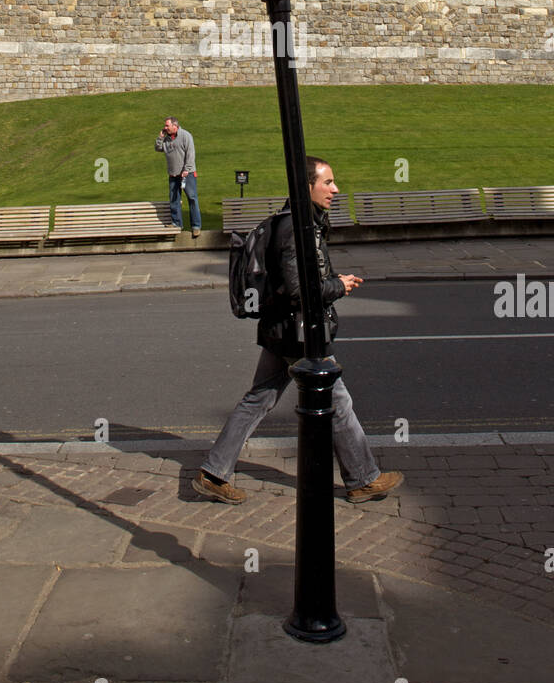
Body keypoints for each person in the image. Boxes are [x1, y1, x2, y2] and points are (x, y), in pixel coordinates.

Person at [193, 156, 403, 506]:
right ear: (307, 187)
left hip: (282, 330)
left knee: (259, 398)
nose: (335, 189)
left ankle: (214, 472)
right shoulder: (296, 229)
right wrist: (338, 285)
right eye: (328, 183)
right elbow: (298, 289)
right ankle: (363, 479)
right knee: (337, 400)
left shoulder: (300, 223)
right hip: (299, 332)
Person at [154, 117, 202, 237]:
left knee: (192, 198)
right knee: (174, 200)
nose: (165, 128)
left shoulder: (186, 136)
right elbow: (158, 148)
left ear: (174, 126)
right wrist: (160, 137)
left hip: (187, 174)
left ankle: (196, 226)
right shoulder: (166, 139)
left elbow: (190, 154)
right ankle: (177, 224)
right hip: (173, 174)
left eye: (167, 126)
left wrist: (187, 169)